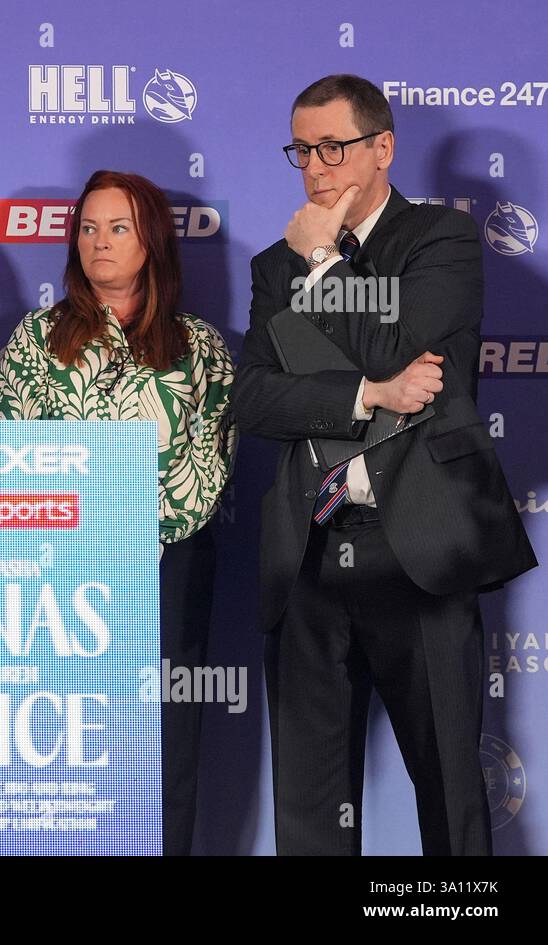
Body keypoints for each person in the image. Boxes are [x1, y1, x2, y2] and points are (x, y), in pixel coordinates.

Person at [233, 73, 536, 855]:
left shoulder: (440, 239)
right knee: (308, 804)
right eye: (301, 149)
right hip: (309, 550)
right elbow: (260, 399)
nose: (315, 167)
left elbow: (406, 347)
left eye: (333, 146)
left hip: (419, 546)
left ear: (383, 148)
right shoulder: (278, 264)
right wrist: (370, 392)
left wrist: (326, 269)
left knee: (451, 795)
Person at [0, 170, 236, 855]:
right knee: (61, 746)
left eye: (118, 227)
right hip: (57, 573)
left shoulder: (200, 348)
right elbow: (12, 460)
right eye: (89, 227)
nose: (99, 241)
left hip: (170, 569)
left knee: (165, 747)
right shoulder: (35, 341)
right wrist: (82, 540)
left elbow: (210, 462)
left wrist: (141, 538)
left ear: (151, 240)